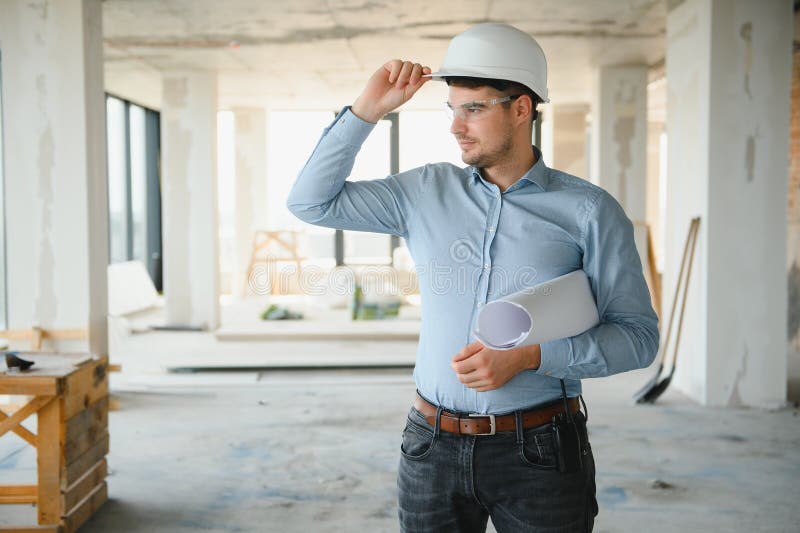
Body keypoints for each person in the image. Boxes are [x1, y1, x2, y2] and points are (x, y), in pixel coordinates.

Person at [287, 22, 659, 533]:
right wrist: (366, 111)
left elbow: (637, 339)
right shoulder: (424, 192)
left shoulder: (588, 211)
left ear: (522, 107)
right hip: (429, 446)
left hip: (541, 451)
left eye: (474, 109)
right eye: (453, 110)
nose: (456, 127)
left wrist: (532, 357)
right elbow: (310, 202)